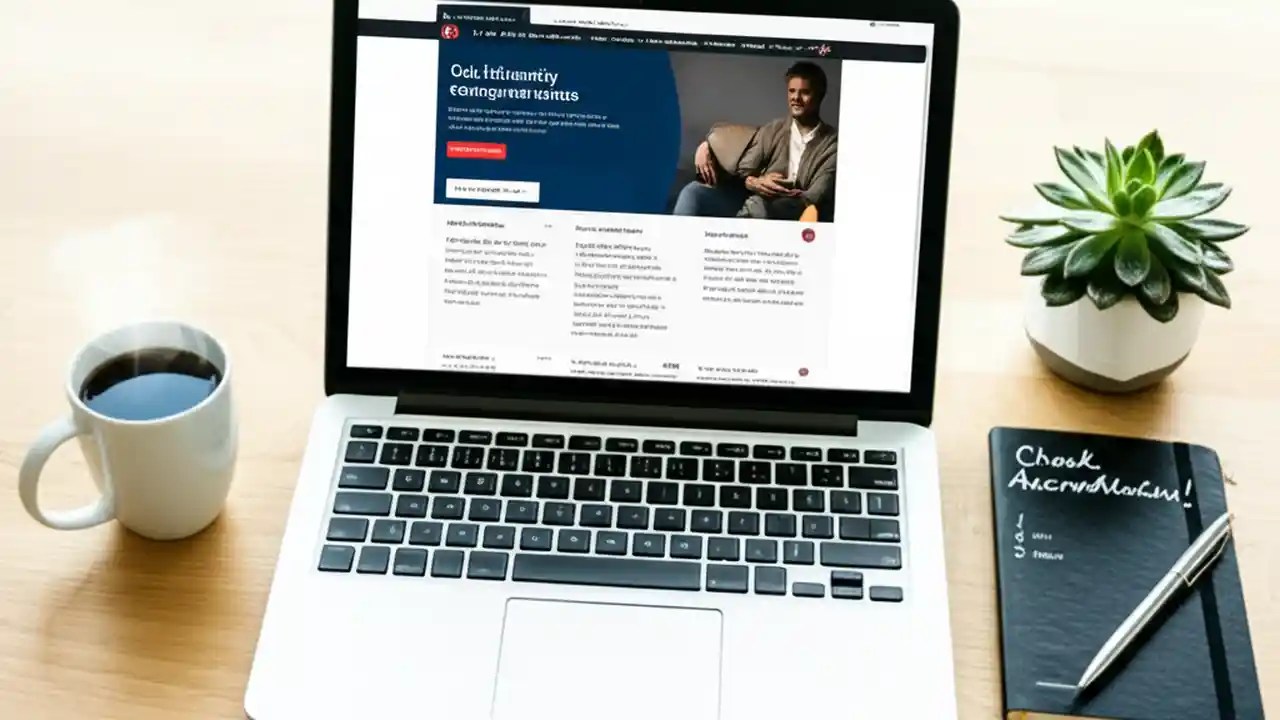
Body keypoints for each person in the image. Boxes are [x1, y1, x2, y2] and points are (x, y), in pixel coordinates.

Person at [672, 61, 838, 221]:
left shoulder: (832, 144)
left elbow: (815, 196)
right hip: (751, 200)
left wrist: (775, 192)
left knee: (758, 206)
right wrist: (707, 146)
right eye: (792, 91)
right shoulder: (775, 128)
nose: (796, 98)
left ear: (819, 95)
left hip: (786, 210)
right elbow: (744, 169)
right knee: (692, 192)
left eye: (805, 92)